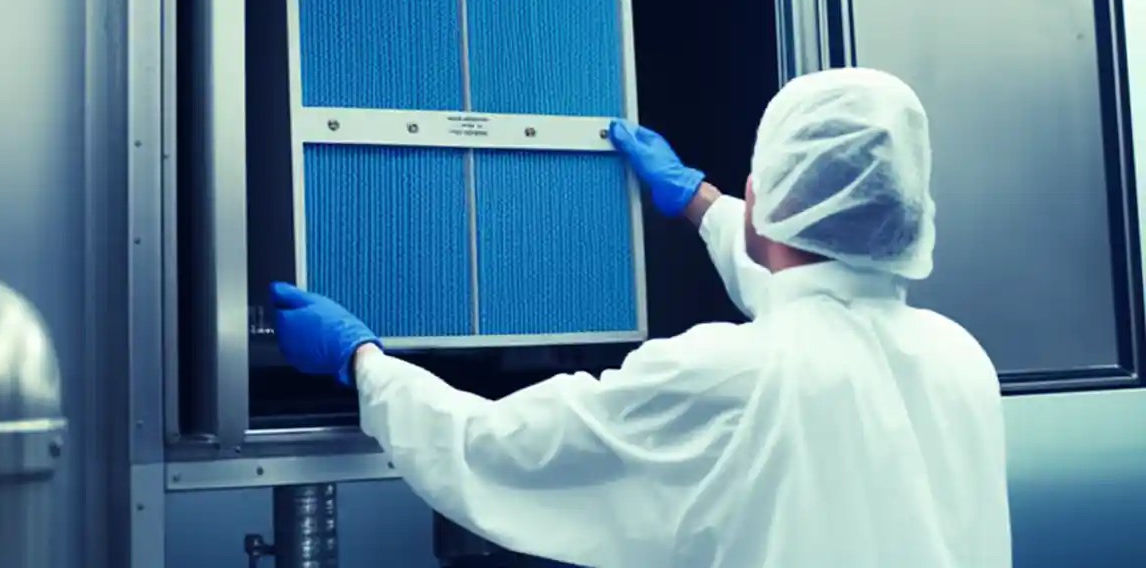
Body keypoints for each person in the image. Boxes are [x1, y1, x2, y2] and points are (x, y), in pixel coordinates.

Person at [269, 68, 1012, 568]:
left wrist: (362, 361)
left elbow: (498, 447)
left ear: (765, 198)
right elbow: (813, 298)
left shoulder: (732, 375)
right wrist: (699, 202)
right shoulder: (956, 356)